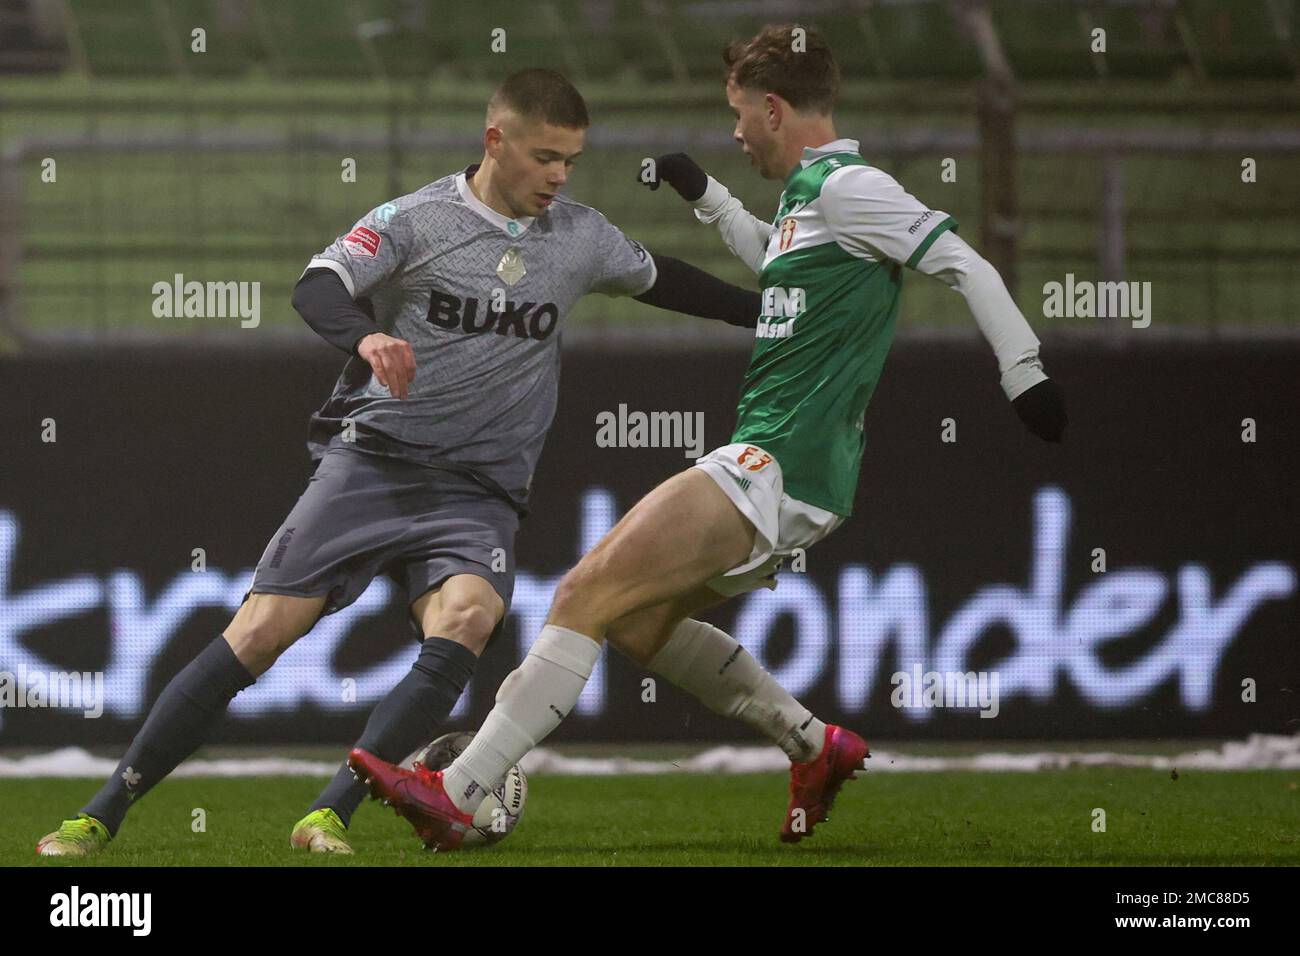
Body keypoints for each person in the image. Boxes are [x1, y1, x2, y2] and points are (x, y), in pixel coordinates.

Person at [350, 24, 1067, 851]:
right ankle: (812, 744)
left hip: (777, 463)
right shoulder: (813, 198)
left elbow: (965, 264)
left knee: (583, 593)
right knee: (635, 624)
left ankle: (461, 790)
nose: (733, 133)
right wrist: (706, 196)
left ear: (771, 109)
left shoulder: (852, 188)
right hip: (793, 470)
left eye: (736, 116)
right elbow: (776, 263)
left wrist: (1026, 374)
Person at [36, 68, 764, 857]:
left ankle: (328, 816)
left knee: (471, 619)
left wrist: (772, 315)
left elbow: (672, 282)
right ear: (496, 142)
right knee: (262, 631)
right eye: (546, 157)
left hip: (480, 490)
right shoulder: (416, 221)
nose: (559, 176)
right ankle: (99, 814)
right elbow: (317, 286)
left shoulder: (581, 238)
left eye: (572, 161)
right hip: (373, 464)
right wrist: (366, 335)